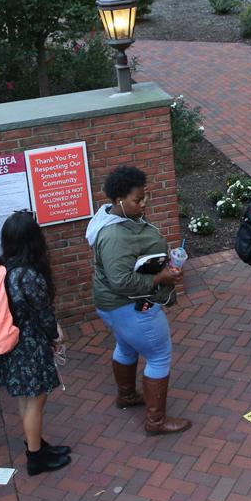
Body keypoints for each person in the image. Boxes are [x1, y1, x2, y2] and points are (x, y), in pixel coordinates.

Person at [86, 165, 190, 435]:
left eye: (145, 197)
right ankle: (156, 422)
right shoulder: (114, 237)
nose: (144, 204)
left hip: (113, 307)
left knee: (126, 345)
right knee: (159, 356)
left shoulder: (110, 218)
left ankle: (127, 396)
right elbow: (121, 281)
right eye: (138, 200)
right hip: (129, 306)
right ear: (120, 200)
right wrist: (161, 278)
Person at [0, 211, 72, 475]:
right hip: (30, 345)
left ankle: (34, 442)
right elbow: (44, 315)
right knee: (36, 401)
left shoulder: (1, 268)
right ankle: (36, 457)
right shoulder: (29, 275)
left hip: (11, 343)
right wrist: (56, 335)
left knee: (26, 398)